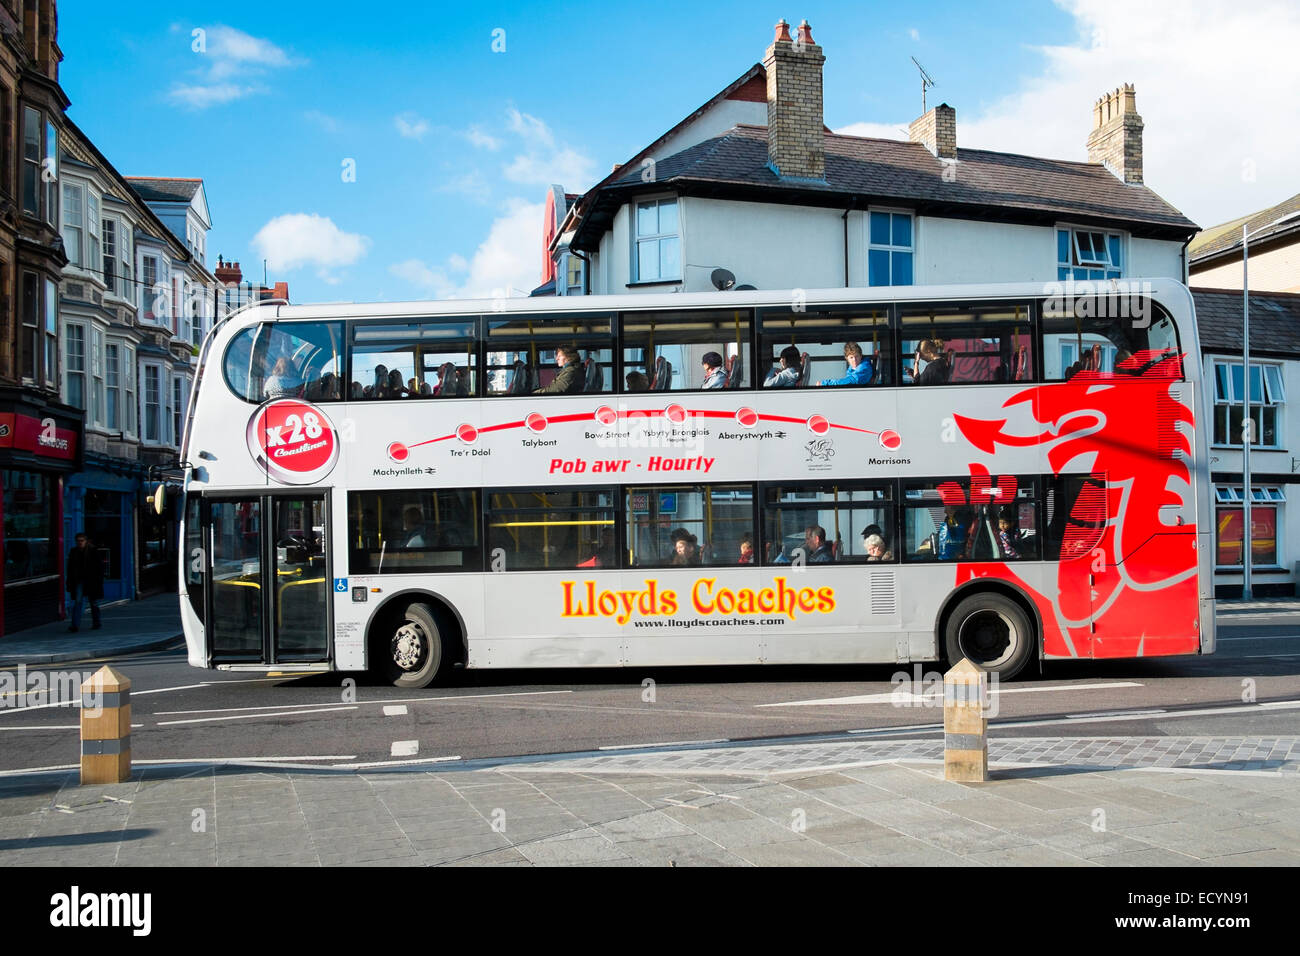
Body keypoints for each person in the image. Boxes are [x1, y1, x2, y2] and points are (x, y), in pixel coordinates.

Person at [66, 533, 103, 632]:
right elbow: (70, 568)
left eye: (82, 540)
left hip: (91, 581)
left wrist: (98, 580)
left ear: (86, 541)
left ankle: (97, 623)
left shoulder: (93, 551)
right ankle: (75, 625)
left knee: (93, 602)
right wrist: (69, 582)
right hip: (79, 581)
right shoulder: (74, 552)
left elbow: (99, 567)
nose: (80, 542)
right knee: (78, 602)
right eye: (78, 541)